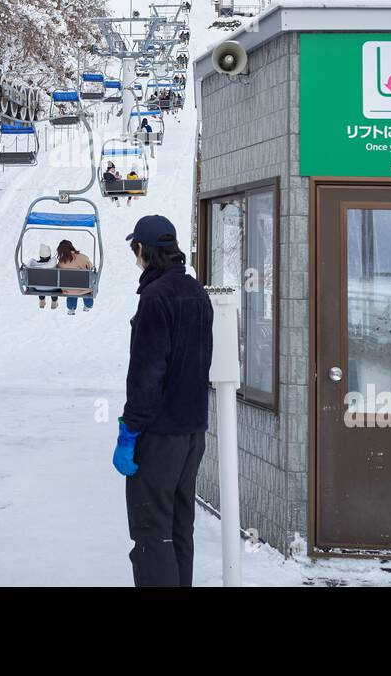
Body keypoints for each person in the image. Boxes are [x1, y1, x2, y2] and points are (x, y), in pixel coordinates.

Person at [112, 215, 212, 588]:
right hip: (193, 434)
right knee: (178, 524)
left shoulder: (155, 298)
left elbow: (147, 373)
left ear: (143, 250)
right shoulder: (197, 292)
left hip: (159, 435)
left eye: (134, 249)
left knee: (151, 528)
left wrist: (130, 429)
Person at [57, 239, 94, 315]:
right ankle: (88, 305)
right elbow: (91, 268)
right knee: (86, 288)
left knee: (71, 289)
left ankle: (71, 308)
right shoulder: (83, 257)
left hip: (68, 290)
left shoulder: (61, 261)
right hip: (84, 288)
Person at [34, 243, 59, 309]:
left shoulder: (34, 264)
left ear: (40, 255)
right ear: (49, 255)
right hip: (53, 288)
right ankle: (54, 302)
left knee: (41, 282)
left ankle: (42, 301)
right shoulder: (53, 263)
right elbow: (54, 259)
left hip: (39, 288)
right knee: (53, 285)